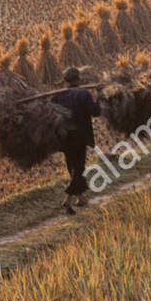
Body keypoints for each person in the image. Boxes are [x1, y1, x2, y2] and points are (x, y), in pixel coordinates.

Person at [53, 66, 101, 213]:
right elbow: (95, 112)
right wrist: (99, 95)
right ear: (78, 79)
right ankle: (68, 199)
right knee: (79, 168)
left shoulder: (58, 95)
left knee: (72, 167)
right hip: (79, 136)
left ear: (66, 81)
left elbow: (50, 110)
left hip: (65, 138)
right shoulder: (83, 93)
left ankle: (80, 198)